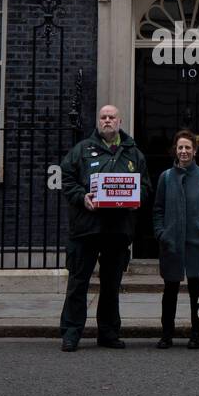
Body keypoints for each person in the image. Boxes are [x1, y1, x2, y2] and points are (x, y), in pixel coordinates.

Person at [58, 104, 151, 352]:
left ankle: (108, 333)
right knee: (78, 283)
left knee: (111, 285)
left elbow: (146, 186)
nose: (107, 121)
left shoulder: (133, 153)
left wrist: (136, 199)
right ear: (98, 121)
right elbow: (66, 178)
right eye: (103, 117)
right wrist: (82, 197)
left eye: (111, 117)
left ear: (119, 121)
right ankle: (71, 333)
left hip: (117, 230)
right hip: (86, 229)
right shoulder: (81, 150)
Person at [152, 129, 199, 350]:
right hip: (171, 242)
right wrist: (161, 232)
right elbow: (157, 209)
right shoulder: (166, 177)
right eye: (180, 147)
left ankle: (198, 332)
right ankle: (166, 334)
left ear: (195, 151)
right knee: (169, 291)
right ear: (175, 150)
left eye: (187, 147)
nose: (183, 151)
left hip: (196, 241)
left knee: (198, 290)